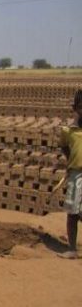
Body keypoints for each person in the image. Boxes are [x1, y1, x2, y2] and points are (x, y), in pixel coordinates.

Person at [58, 89, 82, 258]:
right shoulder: (68, 130)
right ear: (75, 108)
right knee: (72, 213)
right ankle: (72, 249)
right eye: (81, 107)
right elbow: (64, 146)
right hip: (76, 175)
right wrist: (71, 161)